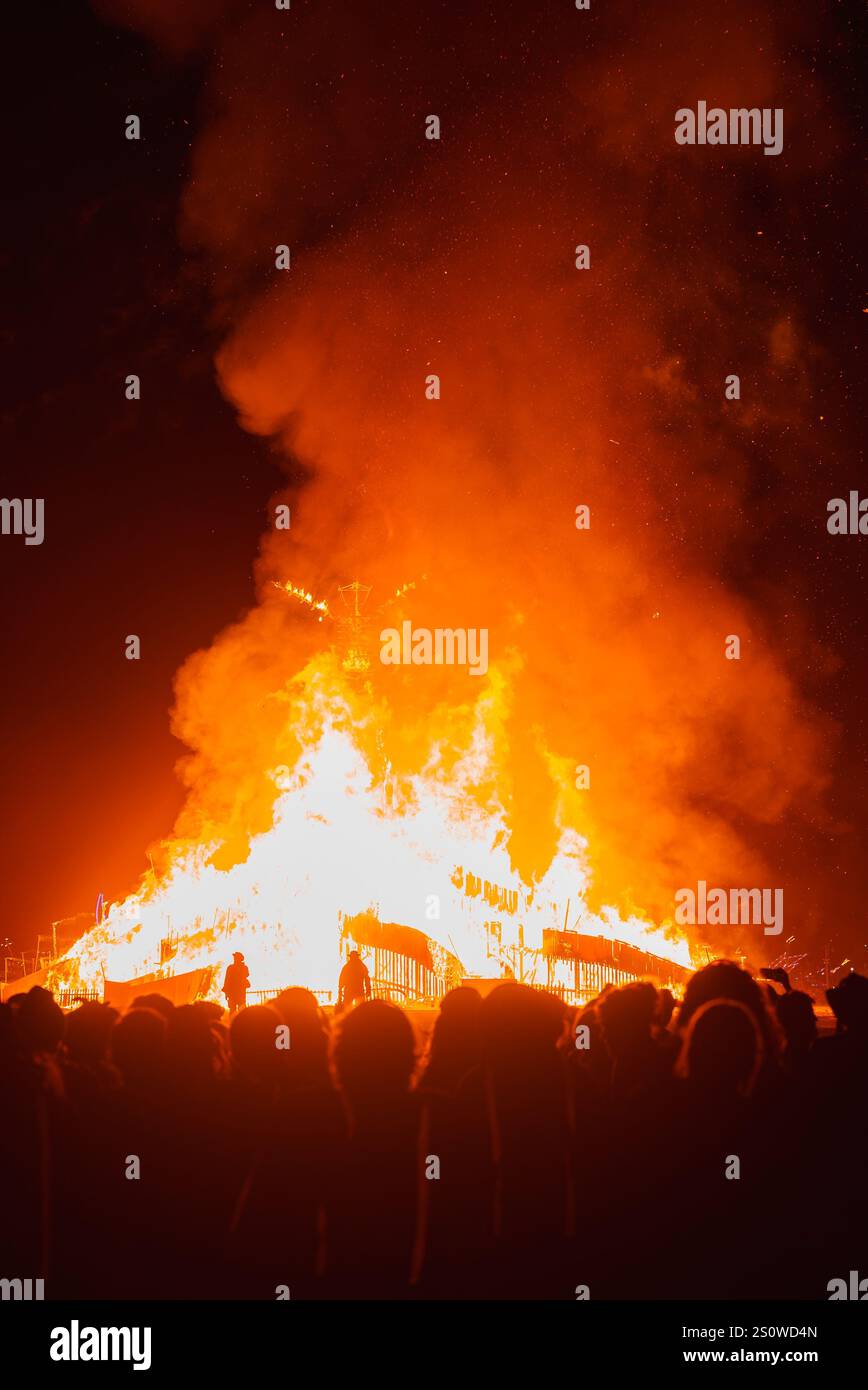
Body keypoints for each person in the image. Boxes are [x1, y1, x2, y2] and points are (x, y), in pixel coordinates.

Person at [222, 952, 250, 1016]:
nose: (234, 958)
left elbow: (247, 974)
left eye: (236, 957)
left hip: (241, 992)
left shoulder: (244, 967)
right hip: (232, 993)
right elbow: (226, 980)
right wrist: (226, 992)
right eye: (234, 957)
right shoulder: (230, 967)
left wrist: (239, 968)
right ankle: (232, 1023)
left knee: (242, 1010)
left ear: (240, 959)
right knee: (232, 1011)